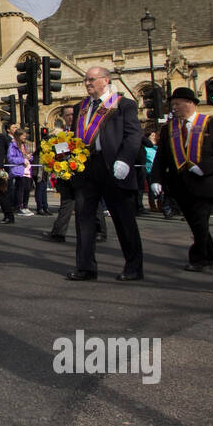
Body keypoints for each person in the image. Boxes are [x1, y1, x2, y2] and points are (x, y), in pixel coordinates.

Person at [65, 67, 144, 281]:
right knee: (84, 219)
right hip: (86, 168)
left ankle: (134, 267)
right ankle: (85, 267)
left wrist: (126, 160)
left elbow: (133, 135)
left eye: (91, 79)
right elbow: (74, 139)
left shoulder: (123, 105)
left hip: (113, 166)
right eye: (86, 80)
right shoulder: (80, 107)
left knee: (123, 219)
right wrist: (56, 152)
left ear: (105, 80)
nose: (87, 83)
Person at [149, 87, 213, 271]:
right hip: (180, 184)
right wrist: (156, 179)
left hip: (205, 182)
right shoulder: (168, 129)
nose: (174, 107)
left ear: (190, 103)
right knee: (196, 222)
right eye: (172, 104)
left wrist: (204, 167)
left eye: (177, 103)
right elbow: (161, 156)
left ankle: (198, 259)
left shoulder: (211, 124)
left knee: (199, 220)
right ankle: (210, 256)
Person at [41, 105, 107, 243]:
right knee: (66, 202)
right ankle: (58, 232)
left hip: (85, 172)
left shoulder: (85, 131)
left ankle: (100, 231)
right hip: (68, 174)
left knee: (93, 202)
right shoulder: (63, 134)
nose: (70, 117)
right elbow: (60, 154)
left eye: (72, 114)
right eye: (67, 115)